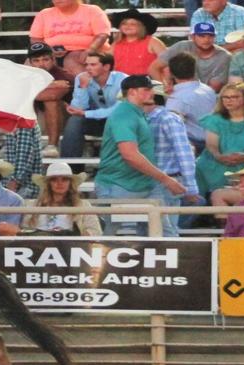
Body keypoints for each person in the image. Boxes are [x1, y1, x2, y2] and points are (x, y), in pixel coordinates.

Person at [95, 75, 183, 234]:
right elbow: (130, 155)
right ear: (132, 92)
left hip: (138, 184)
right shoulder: (124, 115)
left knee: (164, 233)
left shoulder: (134, 112)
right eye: (147, 89)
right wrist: (166, 179)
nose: (152, 93)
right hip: (121, 185)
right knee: (125, 239)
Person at [139, 80, 199, 237]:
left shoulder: (167, 118)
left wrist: (190, 187)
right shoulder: (159, 118)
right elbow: (184, 152)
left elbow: (184, 152)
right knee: (163, 230)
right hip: (164, 181)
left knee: (164, 231)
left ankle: (176, 259)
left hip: (164, 182)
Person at [2, 160, 99, 236]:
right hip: (36, 248)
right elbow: (24, 231)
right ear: (48, 184)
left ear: (70, 183)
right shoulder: (32, 205)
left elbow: (95, 232)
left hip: (71, 250)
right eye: (54, 180)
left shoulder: (83, 205)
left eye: (64, 179)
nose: (59, 183)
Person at [195, 81, 244, 205]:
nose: (229, 100)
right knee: (200, 166)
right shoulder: (215, 119)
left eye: (234, 97)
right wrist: (219, 156)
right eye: (225, 97)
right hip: (216, 159)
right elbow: (211, 145)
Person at [61, 52, 127, 160]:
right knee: (75, 120)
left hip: (118, 121)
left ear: (106, 67)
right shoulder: (81, 78)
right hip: (95, 121)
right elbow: (78, 108)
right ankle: (71, 167)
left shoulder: (122, 80)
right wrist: (83, 87)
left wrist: (86, 113)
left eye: (93, 65)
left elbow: (120, 110)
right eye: (86, 64)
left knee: (121, 120)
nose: (87, 68)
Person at [29, 0, 109, 76]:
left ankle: (87, 88)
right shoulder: (44, 14)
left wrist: (90, 50)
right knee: (29, 64)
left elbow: (102, 35)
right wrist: (48, 50)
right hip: (50, 52)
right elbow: (35, 38)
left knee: (71, 61)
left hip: (83, 51)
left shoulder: (93, 10)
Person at [149, 22, 230, 91]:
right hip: (178, 93)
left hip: (208, 96)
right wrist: (164, 87)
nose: (206, 40)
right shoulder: (181, 46)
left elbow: (213, 88)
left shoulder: (224, 56)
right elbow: (153, 68)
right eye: (202, 36)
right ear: (192, 37)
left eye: (210, 36)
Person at [23, 43, 72, 159]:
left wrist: (31, 90)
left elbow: (53, 94)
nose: (41, 64)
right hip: (39, 118)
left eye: (45, 59)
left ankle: (52, 146)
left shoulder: (62, 74)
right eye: (36, 60)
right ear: (30, 62)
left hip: (66, 120)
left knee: (51, 101)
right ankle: (14, 140)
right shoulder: (27, 75)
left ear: (53, 59)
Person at [162, 53, 216, 151]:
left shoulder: (177, 98)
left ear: (172, 73)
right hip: (215, 140)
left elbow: (169, 128)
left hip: (196, 145)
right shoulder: (208, 89)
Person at [106, 9, 165, 84]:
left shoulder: (152, 42)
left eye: (133, 24)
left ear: (141, 27)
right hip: (121, 83)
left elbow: (167, 61)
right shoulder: (116, 43)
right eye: (124, 24)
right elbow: (106, 60)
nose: (128, 26)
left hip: (146, 83)